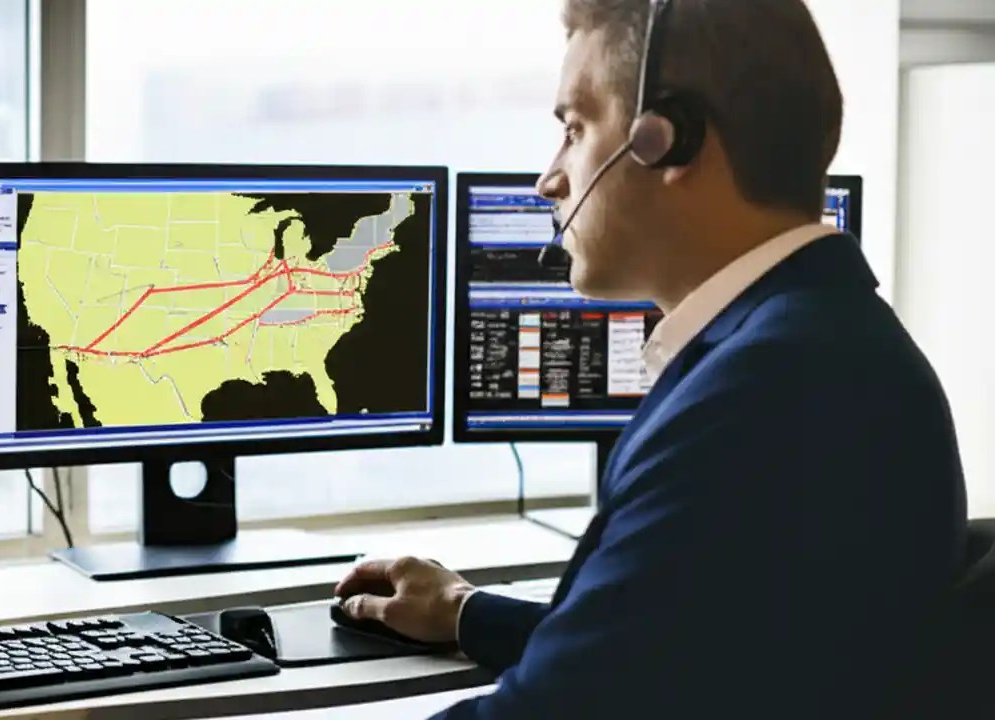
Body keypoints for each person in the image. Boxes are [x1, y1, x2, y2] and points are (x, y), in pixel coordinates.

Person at [334, 0, 969, 717]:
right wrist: (467, 612)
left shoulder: (761, 393)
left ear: (666, 141)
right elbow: (688, 654)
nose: (550, 180)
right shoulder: (825, 338)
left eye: (574, 130)